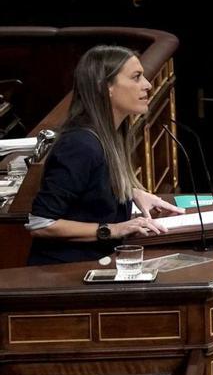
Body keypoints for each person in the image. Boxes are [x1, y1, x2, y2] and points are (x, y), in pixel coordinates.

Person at [26, 46, 186, 265]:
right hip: (65, 275)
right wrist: (114, 229)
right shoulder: (80, 145)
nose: (147, 85)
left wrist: (131, 193)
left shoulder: (111, 133)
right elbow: (40, 223)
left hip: (97, 264)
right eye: (136, 77)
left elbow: (89, 187)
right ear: (106, 87)